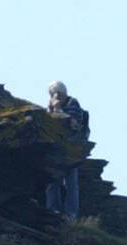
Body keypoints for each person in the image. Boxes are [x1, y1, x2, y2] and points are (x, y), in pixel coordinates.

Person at [45, 81, 88, 221]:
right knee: (53, 181)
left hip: (71, 150)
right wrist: (51, 110)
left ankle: (71, 214)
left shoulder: (72, 104)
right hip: (56, 149)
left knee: (70, 183)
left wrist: (57, 109)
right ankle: (53, 210)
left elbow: (73, 125)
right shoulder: (53, 104)